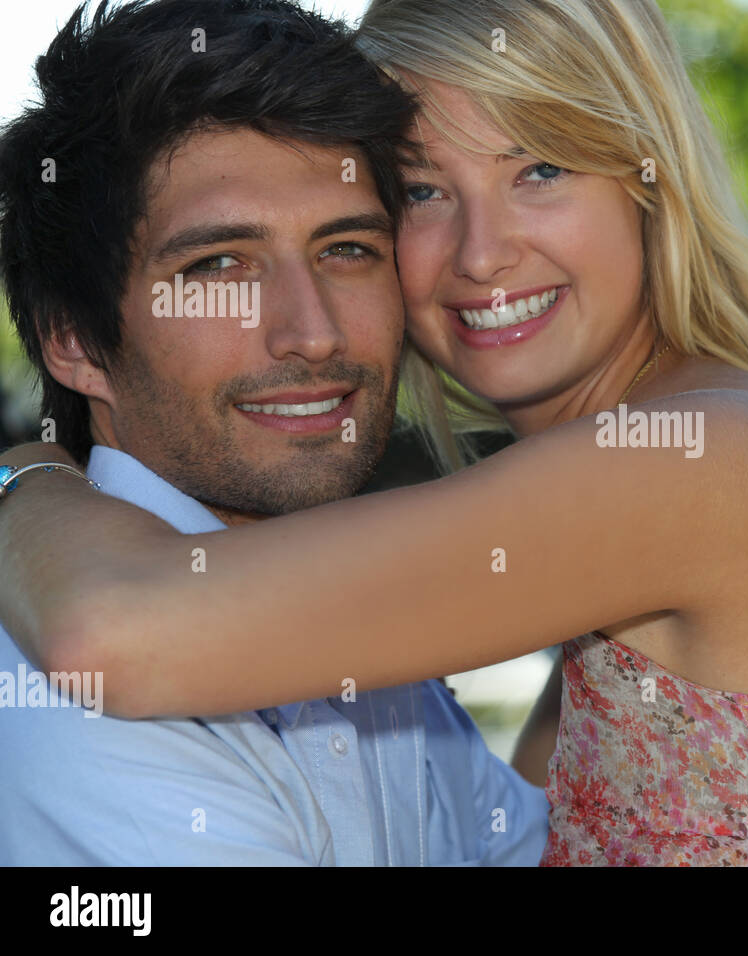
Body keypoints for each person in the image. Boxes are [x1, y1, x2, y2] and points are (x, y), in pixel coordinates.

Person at [0, 0, 748, 865]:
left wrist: (26, 467)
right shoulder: (693, 473)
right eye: (424, 191)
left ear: (650, 181)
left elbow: (108, 632)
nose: (483, 253)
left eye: (540, 167)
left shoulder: (691, 466)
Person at [0, 0, 548, 866]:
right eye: (218, 267)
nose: (313, 332)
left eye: (348, 250)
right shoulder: (70, 706)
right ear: (73, 338)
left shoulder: (350, 611)